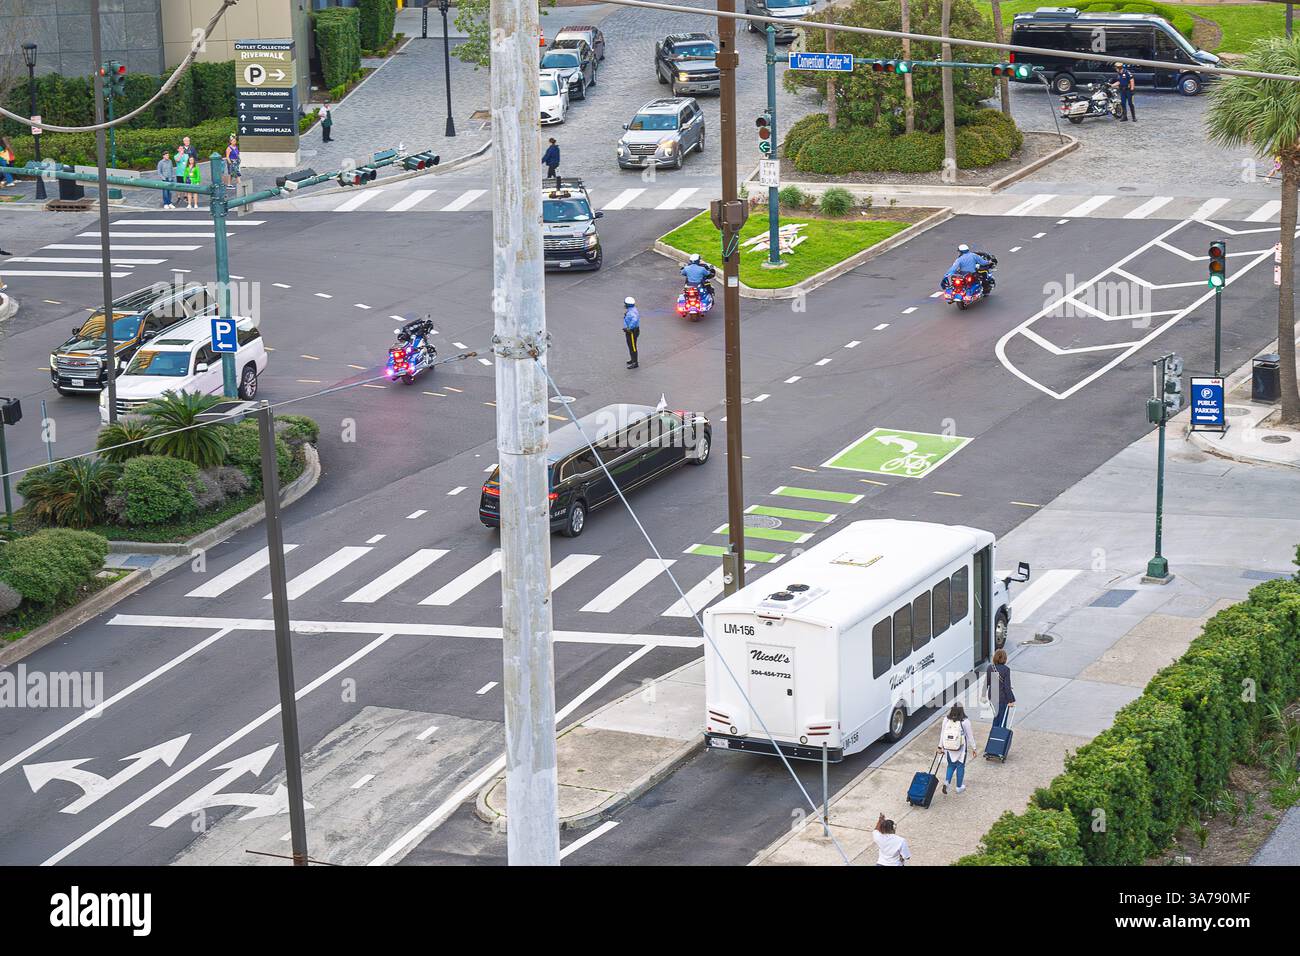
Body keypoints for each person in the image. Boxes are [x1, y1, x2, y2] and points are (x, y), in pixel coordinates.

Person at [937, 702, 978, 795]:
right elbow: (970, 736)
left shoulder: (946, 720)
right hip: (961, 749)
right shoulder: (965, 721)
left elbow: (942, 734)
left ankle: (947, 782)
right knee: (960, 766)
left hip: (948, 748)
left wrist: (940, 746)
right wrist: (974, 748)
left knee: (951, 765)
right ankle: (959, 787)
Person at [984, 648, 1016, 729]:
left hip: (992, 697)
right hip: (1002, 698)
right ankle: (1000, 738)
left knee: (996, 718)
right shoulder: (1006, 670)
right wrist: (1011, 700)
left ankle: (993, 736)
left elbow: (987, 683)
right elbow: (1007, 687)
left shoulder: (990, 668)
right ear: (1004, 659)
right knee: (1002, 720)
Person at [622, 296, 640, 369]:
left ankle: (635, 363)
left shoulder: (631, 312)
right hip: (633, 331)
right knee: (631, 346)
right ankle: (633, 359)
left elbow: (634, 319)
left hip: (632, 332)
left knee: (633, 347)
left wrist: (629, 328)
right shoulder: (632, 309)